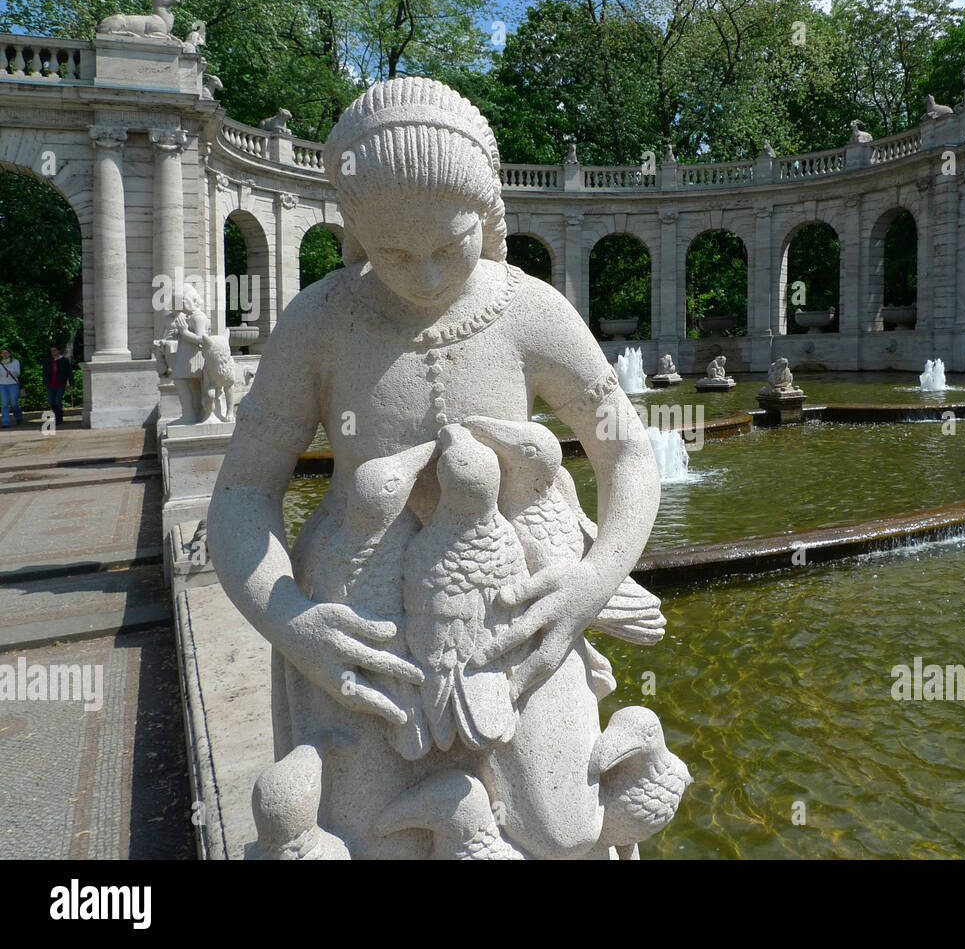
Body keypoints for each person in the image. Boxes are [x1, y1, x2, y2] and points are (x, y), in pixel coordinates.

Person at [207, 78, 660, 858]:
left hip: (513, 608)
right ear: (353, 233)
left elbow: (628, 451)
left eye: (448, 248)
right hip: (366, 615)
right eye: (394, 254)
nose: (423, 277)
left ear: (487, 221)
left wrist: (589, 584)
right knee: (365, 842)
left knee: (565, 829)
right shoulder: (317, 321)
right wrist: (291, 620)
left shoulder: (530, 309)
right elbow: (243, 493)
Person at [43, 345, 72, 424]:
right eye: (52, 351)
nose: (53, 352)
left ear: (58, 351)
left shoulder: (64, 360)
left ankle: (59, 418)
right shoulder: (48, 361)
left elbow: (69, 372)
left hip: (60, 384)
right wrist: (45, 381)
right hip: (50, 384)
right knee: (51, 401)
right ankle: (58, 413)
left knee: (57, 401)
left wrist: (71, 383)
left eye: (55, 350)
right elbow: (45, 372)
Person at [0, 348, 21, 428]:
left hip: (13, 384)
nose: (4, 354)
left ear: (9, 354)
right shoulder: (0, 363)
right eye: (3, 353)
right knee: (4, 404)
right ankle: (6, 423)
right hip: (2, 385)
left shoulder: (15, 361)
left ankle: (18, 416)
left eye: (6, 353)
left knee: (14, 403)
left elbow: (18, 373)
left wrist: (11, 371)